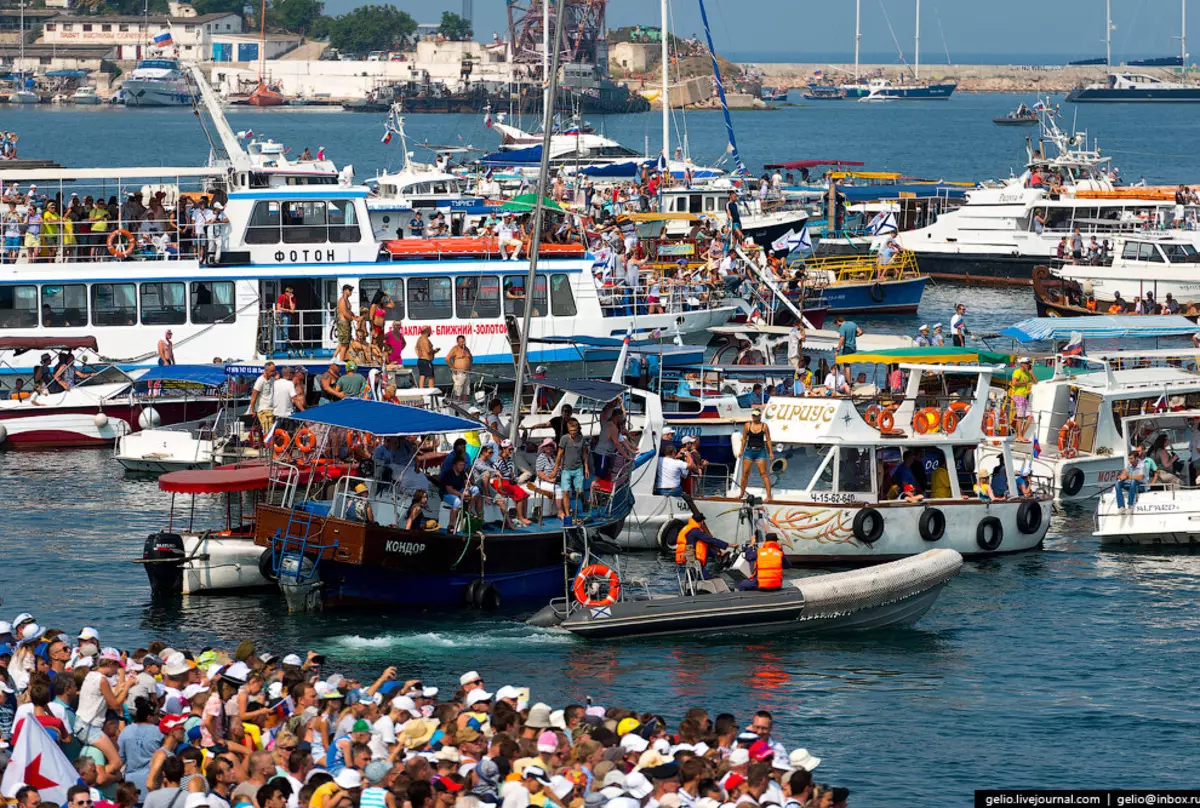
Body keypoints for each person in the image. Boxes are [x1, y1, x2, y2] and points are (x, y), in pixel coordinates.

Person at [674, 511, 730, 580]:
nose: (703, 523)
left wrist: (717, 553)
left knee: (693, 581)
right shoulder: (696, 532)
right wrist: (728, 545)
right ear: (701, 521)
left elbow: (703, 548)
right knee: (708, 580)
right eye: (702, 521)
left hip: (687, 561)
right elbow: (710, 540)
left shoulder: (689, 530)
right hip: (694, 563)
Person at [555, 418, 589, 520]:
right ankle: (568, 515)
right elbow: (559, 454)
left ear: (577, 429)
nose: (573, 433)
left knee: (579, 491)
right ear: (568, 430)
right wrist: (555, 469)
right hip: (566, 469)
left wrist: (586, 467)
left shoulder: (581, 439)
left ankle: (584, 501)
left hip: (578, 468)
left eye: (574, 430)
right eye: (571, 431)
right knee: (565, 491)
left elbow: (584, 453)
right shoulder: (564, 439)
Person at [738, 409, 774, 501]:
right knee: (745, 473)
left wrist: (770, 452)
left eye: (756, 415)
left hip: (760, 451)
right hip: (749, 451)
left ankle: (769, 495)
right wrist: (741, 450)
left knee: (763, 473)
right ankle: (741, 493)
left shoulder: (764, 426)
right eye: (753, 415)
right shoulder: (747, 425)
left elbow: (768, 439)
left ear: (759, 416)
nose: (754, 417)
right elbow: (744, 439)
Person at [1010, 357, 1036, 442]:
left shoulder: (1027, 374)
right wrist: (1024, 383)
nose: (1028, 366)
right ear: (1022, 364)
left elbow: (1035, 381)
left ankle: (1021, 435)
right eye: (1027, 364)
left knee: (1030, 417)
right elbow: (1014, 383)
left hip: (1024, 397)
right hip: (1018, 395)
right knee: (1020, 417)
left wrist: (1031, 373)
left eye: (1029, 364)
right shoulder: (1017, 372)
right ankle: (1019, 436)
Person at [250, 362, 277, 437]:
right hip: (263, 410)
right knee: (267, 431)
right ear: (266, 370)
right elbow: (254, 396)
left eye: (274, 370)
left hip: (271, 409)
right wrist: (252, 410)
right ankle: (268, 447)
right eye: (272, 371)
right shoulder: (260, 381)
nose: (273, 372)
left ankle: (269, 447)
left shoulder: (272, 379)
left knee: (271, 431)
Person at [446, 335, 473, 401]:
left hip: (466, 372)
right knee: (458, 390)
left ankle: (465, 403)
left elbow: (471, 358)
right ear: (457, 342)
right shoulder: (455, 349)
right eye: (461, 342)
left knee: (466, 390)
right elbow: (447, 359)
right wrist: (453, 368)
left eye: (463, 342)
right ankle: (457, 403)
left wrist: (469, 366)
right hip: (459, 373)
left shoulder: (466, 349)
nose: (462, 343)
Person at [335, 285, 356, 361]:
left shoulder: (347, 300)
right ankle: (341, 361)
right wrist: (353, 319)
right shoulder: (342, 300)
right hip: (343, 324)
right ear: (345, 290)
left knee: (344, 342)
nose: (351, 292)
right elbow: (344, 313)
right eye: (349, 290)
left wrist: (355, 316)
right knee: (344, 345)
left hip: (347, 324)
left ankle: (334, 357)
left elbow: (349, 311)